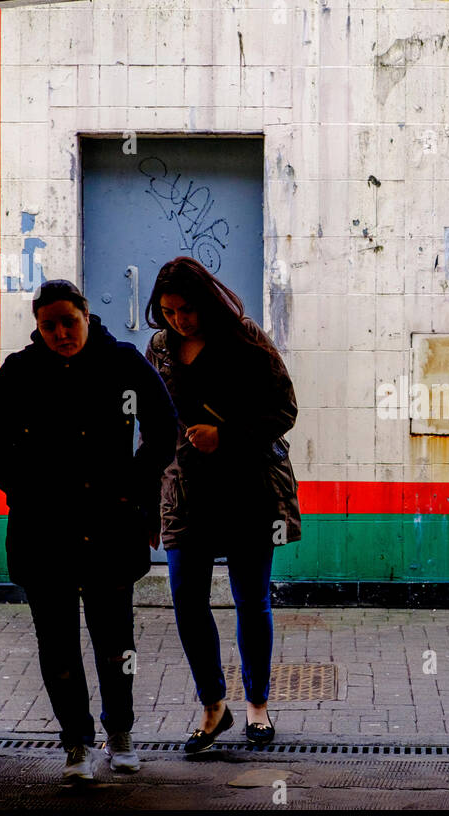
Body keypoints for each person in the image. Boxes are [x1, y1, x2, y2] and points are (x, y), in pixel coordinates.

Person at [0, 279, 177, 780]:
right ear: (38, 326)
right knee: (57, 643)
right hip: (43, 532)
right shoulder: (20, 373)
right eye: (49, 325)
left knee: (115, 642)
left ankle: (121, 733)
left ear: (87, 314)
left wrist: (133, 485)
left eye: (69, 321)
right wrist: (22, 487)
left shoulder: (124, 364)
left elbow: (164, 427)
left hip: (109, 528)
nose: (61, 333)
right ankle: (76, 744)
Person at [143, 256, 301, 752]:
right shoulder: (160, 349)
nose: (179, 320)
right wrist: (149, 500)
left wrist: (225, 436)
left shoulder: (245, 339)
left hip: (247, 488)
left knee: (250, 600)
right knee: (187, 601)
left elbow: (285, 409)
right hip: (184, 492)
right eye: (168, 311)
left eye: (187, 309)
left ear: (206, 302)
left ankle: (257, 704)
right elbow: (153, 428)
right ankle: (214, 706)